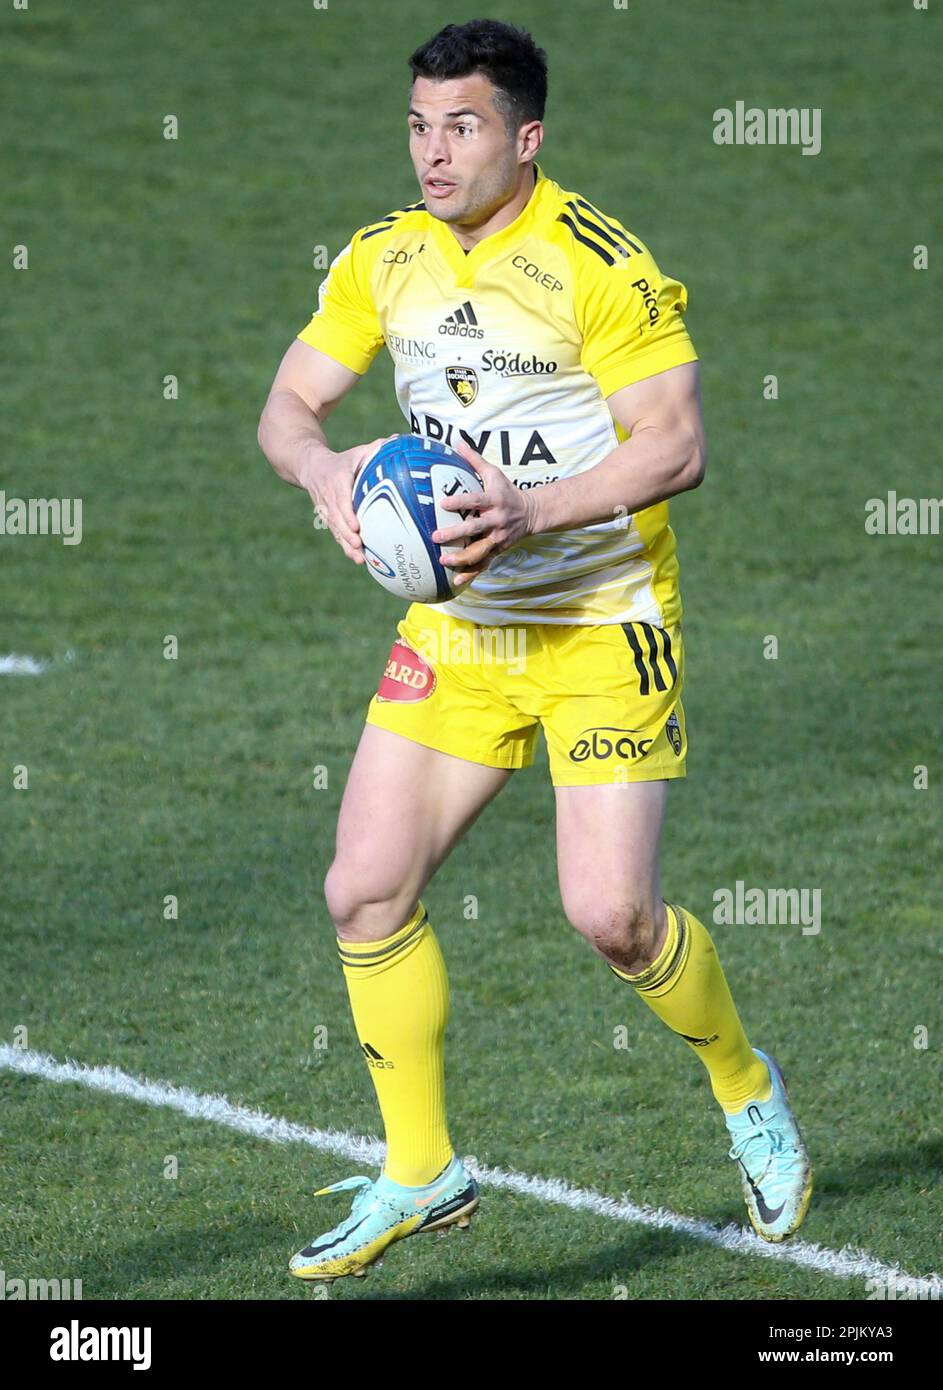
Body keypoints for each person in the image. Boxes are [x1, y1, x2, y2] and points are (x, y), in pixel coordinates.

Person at [258, 18, 812, 1285]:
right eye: (417, 124)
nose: (433, 152)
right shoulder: (381, 258)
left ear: (526, 136)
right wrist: (326, 471)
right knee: (362, 887)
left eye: (461, 126)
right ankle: (421, 1168)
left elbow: (675, 445)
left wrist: (529, 512)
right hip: (459, 632)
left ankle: (744, 1082)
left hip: (599, 626)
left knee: (612, 916)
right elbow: (286, 407)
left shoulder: (593, 262)